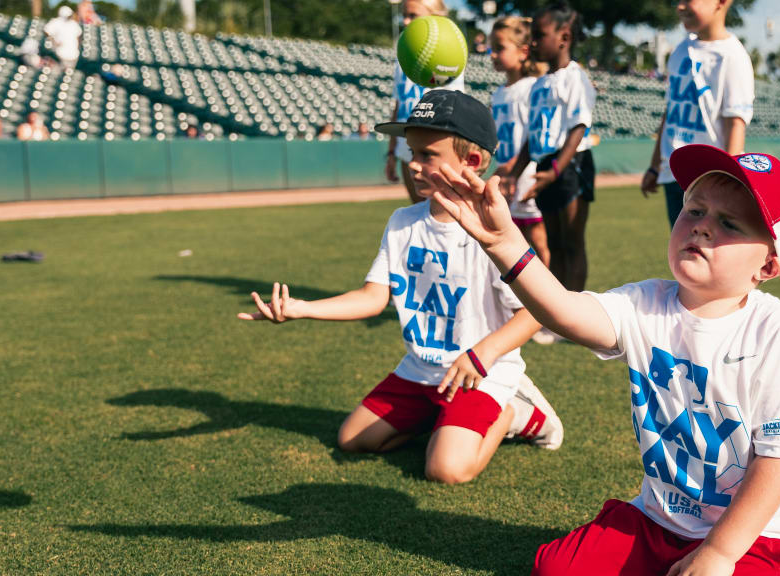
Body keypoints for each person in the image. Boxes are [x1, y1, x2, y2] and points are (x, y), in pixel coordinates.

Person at [428, 144, 780, 574]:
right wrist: (506, 243)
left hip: (760, 532)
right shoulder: (645, 302)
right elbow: (566, 312)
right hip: (661, 519)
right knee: (556, 570)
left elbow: (779, 458)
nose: (701, 228)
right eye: (694, 211)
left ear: (768, 266)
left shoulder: (776, 331)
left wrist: (719, 553)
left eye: (729, 222)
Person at [239, 90, 564, 485]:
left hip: (482, 373)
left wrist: (483, 353)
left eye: (428, 155)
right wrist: (302, 309)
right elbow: (373, 297)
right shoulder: (402, 221)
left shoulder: (494, 231)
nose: (413, 166)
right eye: (412, 153)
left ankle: (515, 409)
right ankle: (441, 419)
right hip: (421, 370)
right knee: (351, 439)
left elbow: (537, 311)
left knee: (445, 470)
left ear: (472, 162)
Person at [500, 2, 595, 298]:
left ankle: (575, 315)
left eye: (540, 35)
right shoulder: (540, 84)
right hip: (545, 167)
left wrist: (555, 171)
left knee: (572, 242)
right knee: (553, 243)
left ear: (564, 37)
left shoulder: (575, 78)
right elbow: (532, 135)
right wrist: (513, 174)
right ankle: (557, 313)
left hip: (570, 166)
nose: (533, 43)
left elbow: (578, 129)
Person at [641, 0, 755, 228]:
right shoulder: (681, 50)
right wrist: (655, 165)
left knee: (706, 255)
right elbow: (670, 112)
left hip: (709, 176)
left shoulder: (732, 56)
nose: (679, 7)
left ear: (721, 3)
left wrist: (724, 181)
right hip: (673, 173)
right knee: (682, 253)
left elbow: (736, 124)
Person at [489, 16, 551, 318]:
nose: (492, 54)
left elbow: (532, 134)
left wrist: (512, 168)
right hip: (506, 177)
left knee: (538, 241)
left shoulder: (532, 88)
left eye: (499, 48)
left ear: (523, 51)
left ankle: (547, 304)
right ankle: (520, 303)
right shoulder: (499, 92)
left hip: (526, 175)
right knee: (513, 243)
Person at [385, 0, 465, 204]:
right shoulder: (403, 53)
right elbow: (399, 103)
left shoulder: (448, 49)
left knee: (441, 211)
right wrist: (392, 151)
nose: (405, 20)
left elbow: (454, 102)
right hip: (406, 141)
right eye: (404, 14)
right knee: (418, 212)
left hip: (434, 141)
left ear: (435, 15)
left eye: (412, 15)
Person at [44, 6, 82, 70]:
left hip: (73, 55)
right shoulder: (56, 22)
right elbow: (46, 31)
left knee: (68, 76)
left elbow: (79, 35)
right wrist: (54, 41)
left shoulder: (73, 24)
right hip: (60, 53)